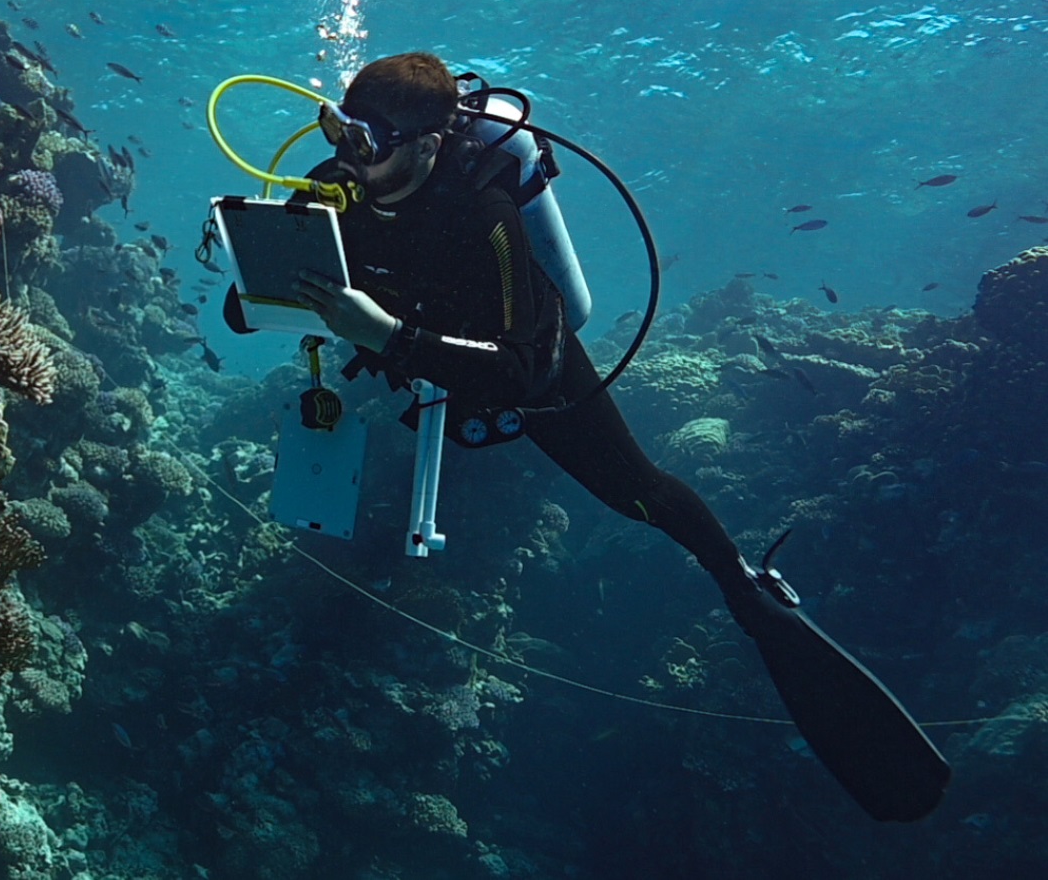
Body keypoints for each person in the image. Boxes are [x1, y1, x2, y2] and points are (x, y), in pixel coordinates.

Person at [256, 51, 948, 822]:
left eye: (370, 142)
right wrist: (260, 274)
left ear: (425, 141)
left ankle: (744, 587)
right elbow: (261, 303)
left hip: (516, 354)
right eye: (341, 131)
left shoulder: (484, 210)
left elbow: (522, 371)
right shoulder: (339, 184)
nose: (352, 156)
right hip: (412, 340)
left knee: (638, 493)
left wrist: (389, 335)